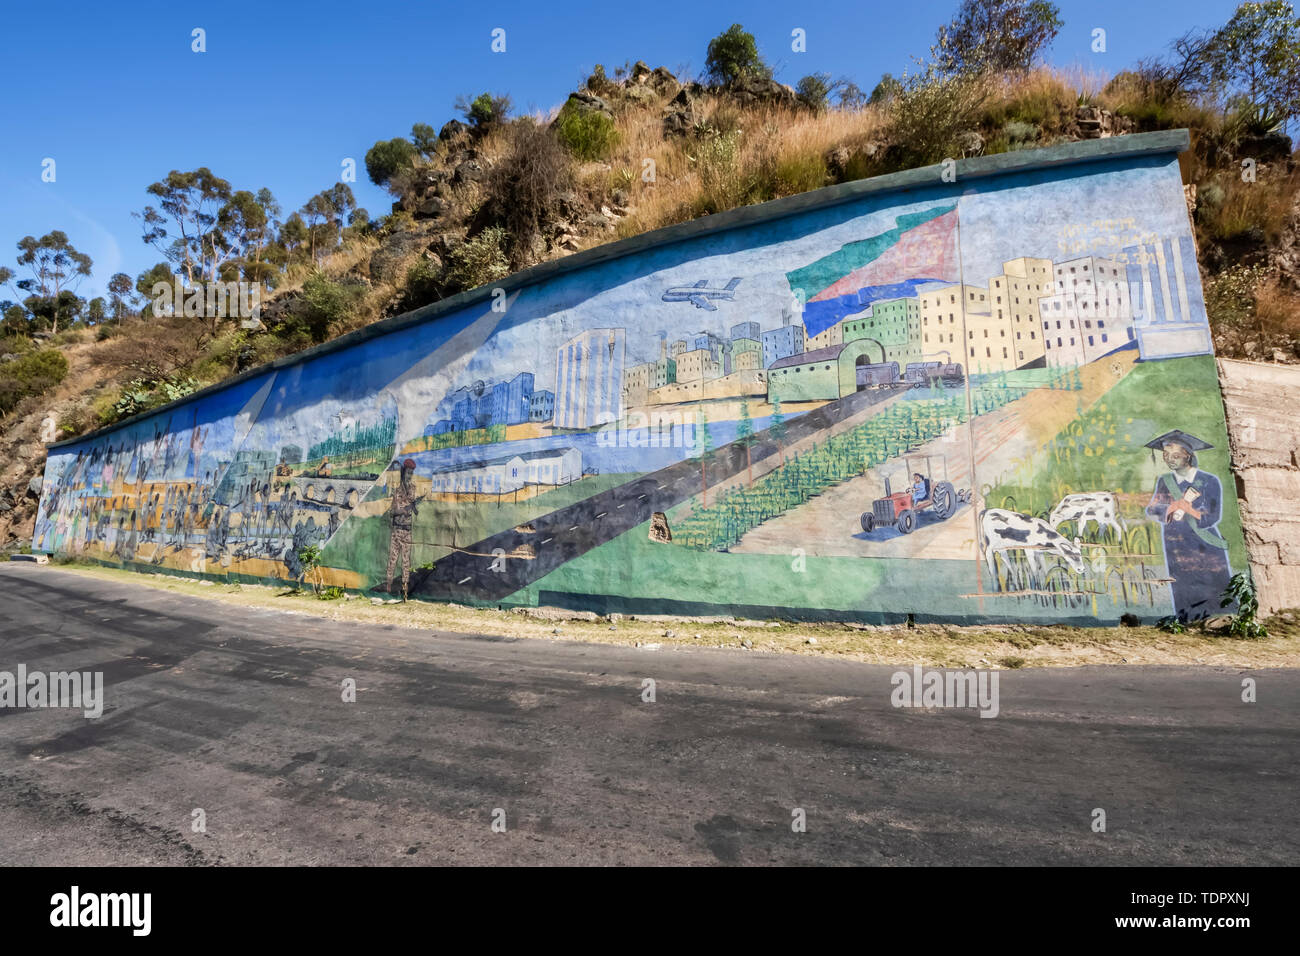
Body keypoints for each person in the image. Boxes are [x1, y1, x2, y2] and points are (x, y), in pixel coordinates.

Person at [1144, 430, 1233, 622]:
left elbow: (1213, 516)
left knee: (1211, 583)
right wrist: (1171, 506)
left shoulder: (1209, 481)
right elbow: (1152, 510)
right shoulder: (1165, 481)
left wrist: (1189, 509)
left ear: (1188, 455)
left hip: (1204, 543)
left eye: (1175, 455)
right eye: (1166, 455)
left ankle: (1220, 621)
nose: (1170, 460)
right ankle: (1186, 621)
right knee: (1182, 583)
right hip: (1175, 543)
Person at [385, 459, 424, 600]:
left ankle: (405, 590)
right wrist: (401, 511)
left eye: (411, 473)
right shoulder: (397, 491)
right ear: (403, 473)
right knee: (393, 560)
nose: (410, 476)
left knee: (406, 562)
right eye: (408, 473)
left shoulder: (413, 489)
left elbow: (413, 508)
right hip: (397, 530)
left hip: (407, 531)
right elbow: (392, 512)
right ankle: (388, 586)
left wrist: (414, 507)